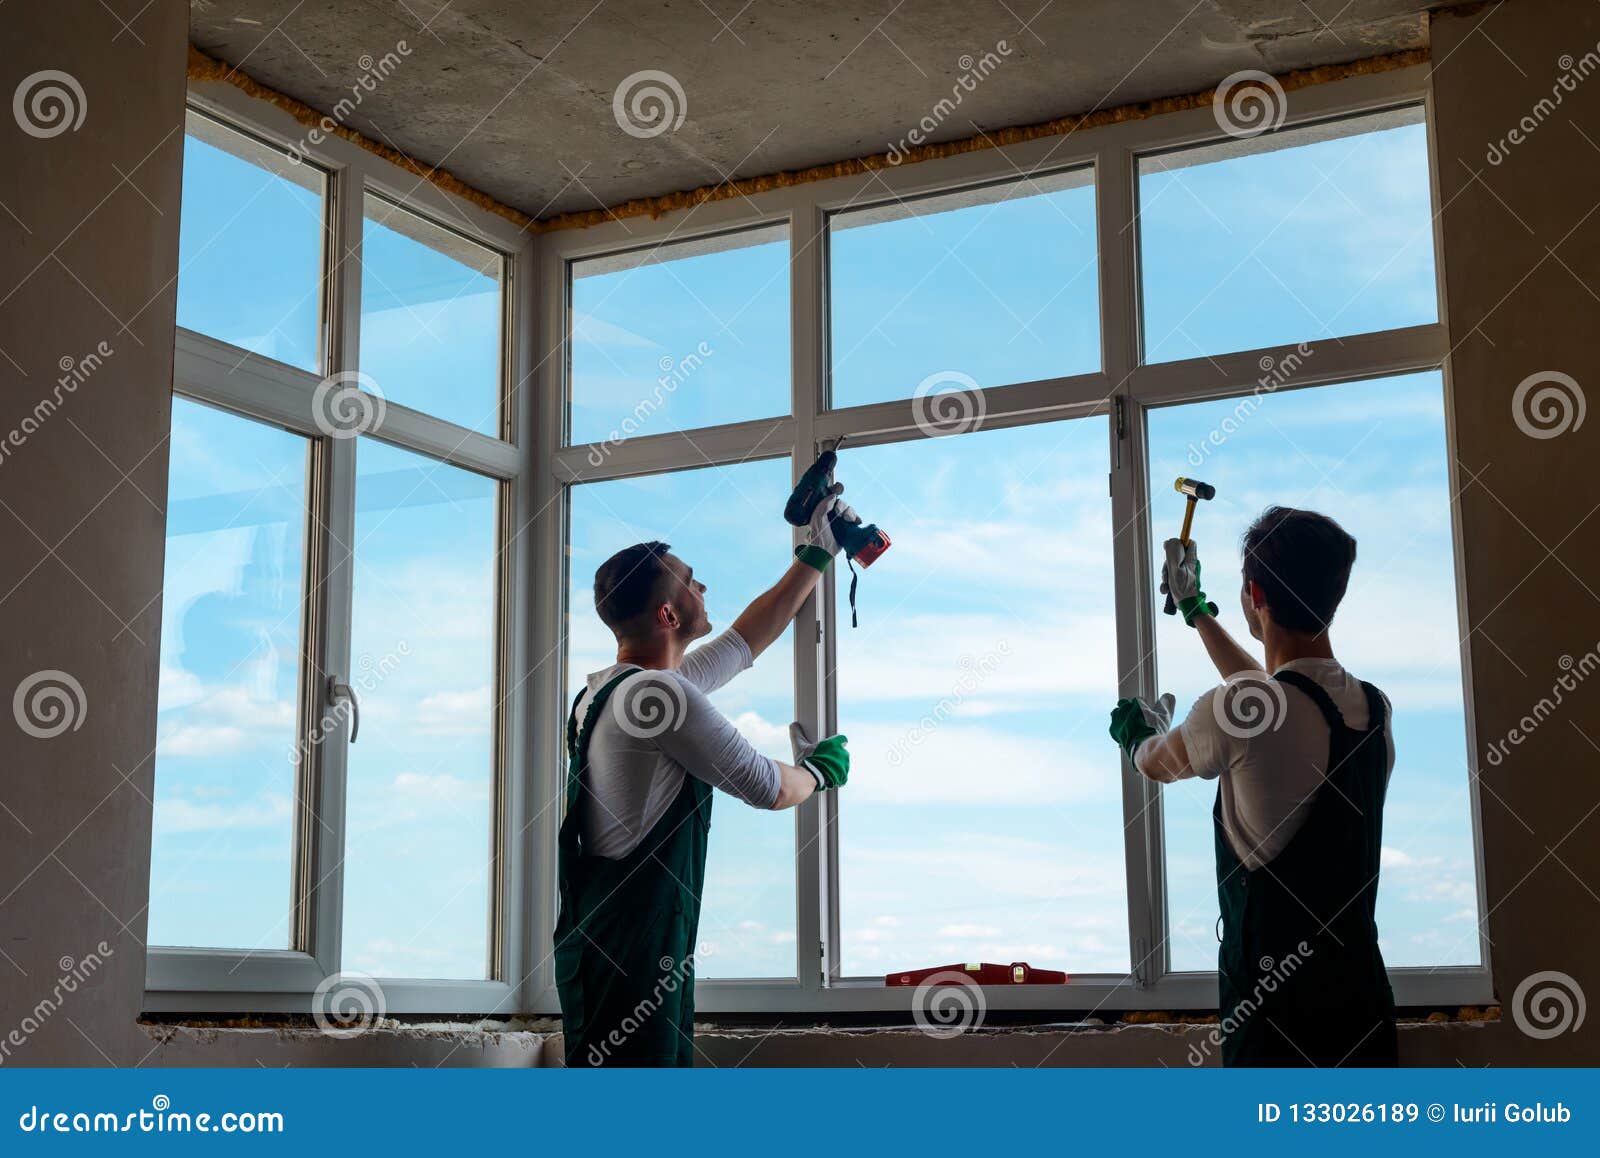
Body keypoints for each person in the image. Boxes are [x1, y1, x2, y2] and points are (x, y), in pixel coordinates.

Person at [554, 486, 856, 1067]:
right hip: (634, 955)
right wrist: (819, 771)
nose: (702, 587)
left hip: (610, 944)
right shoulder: (658, 693)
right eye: (690, 581)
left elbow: (742, 645)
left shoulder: (610, 690)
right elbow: (767, 787)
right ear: (668, 615)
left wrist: (815, 554)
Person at [1109, 506, 1398, 1067]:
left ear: (1254, 592)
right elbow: (1274, 697)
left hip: (1277, 1029)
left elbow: (1156, 763)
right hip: (1364, 1012)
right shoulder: (1373, 708)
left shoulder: (1245, 712)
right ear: (1336, 591)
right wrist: (1196, 613)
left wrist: (1140, 732)